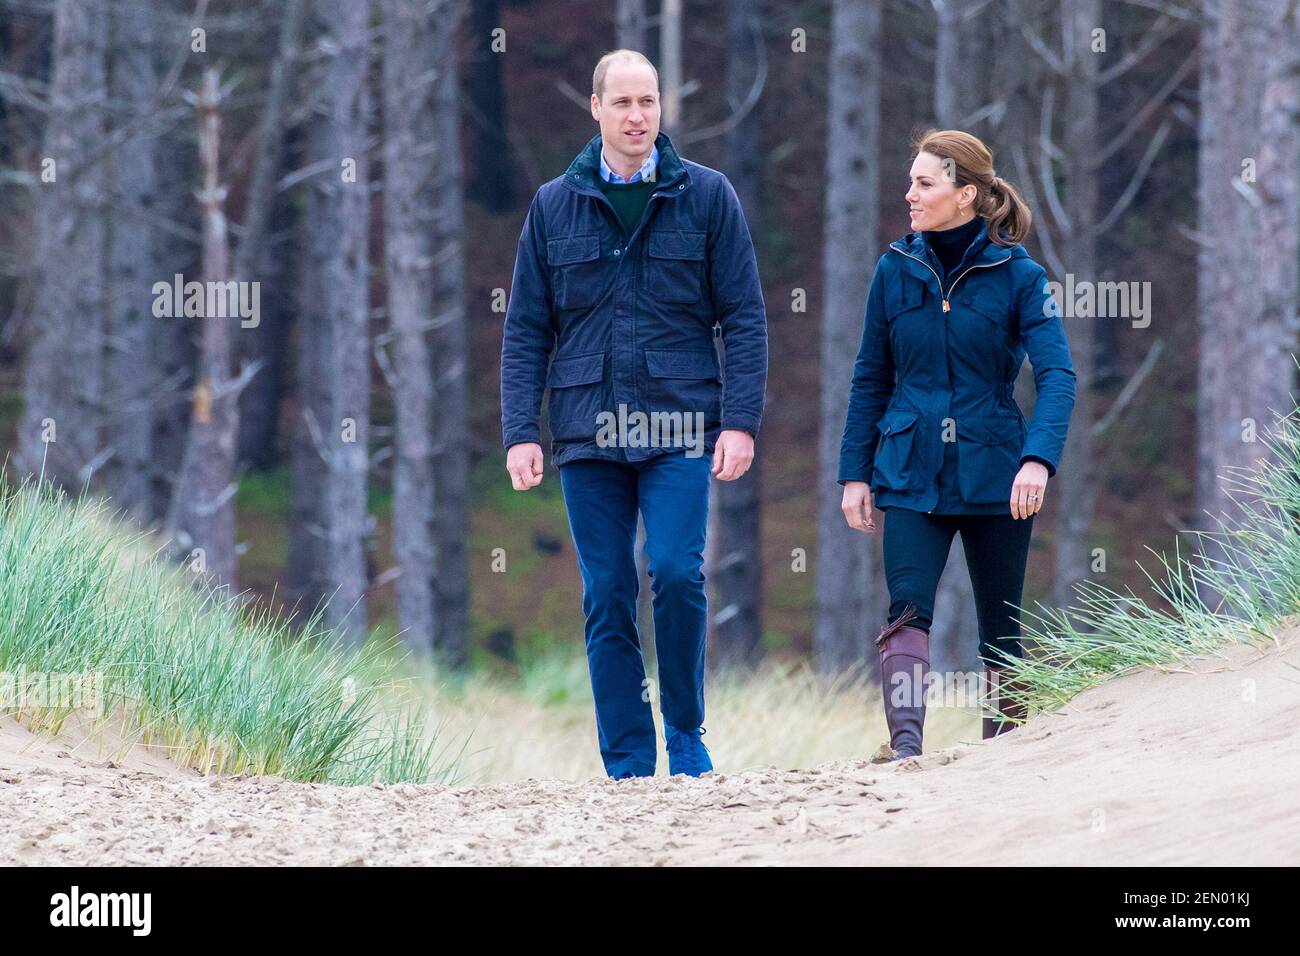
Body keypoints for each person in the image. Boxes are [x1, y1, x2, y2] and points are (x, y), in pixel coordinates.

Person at [499, 50, 768, 779]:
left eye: (647, 102)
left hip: (679, 427)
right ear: (595, 108)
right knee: (608, 589)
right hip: (587, 431)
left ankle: (685, 733)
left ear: (661, 108)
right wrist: (522, 431)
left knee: (678, 574)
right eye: (621, 103)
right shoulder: (555, 205)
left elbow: (743, 315)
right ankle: (626, 758)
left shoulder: (707, 197)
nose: (636, 116)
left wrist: (739, 420)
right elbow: (526, 326)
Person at [837, 129, 1076, 761]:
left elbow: (1057, 375)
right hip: (910, 467)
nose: (908, 194)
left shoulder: (1020, 276)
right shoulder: (894, 268)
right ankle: (906, 753)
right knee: (907, 610)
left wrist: (1038, 459)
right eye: (910, 181)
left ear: (965, 193)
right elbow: (871, 377)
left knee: (1001, 630)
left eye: (924, 183)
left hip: (997, 471)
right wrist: (854, 473)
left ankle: (1003, 759)